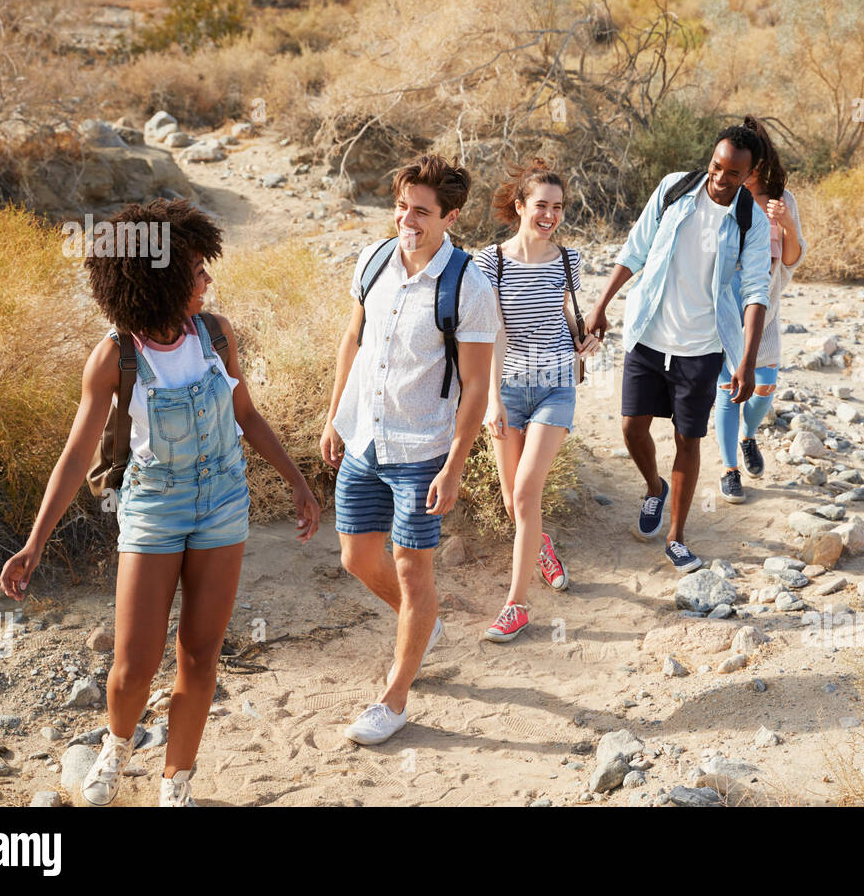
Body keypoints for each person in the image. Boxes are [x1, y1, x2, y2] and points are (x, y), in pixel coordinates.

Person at [0, 198, 322, 807]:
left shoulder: (216, 335)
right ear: (161, 278)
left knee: (200, 658)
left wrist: (297, 481)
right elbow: (75, 456)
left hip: (223, 505)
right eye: (196, 270)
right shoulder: (116, 357)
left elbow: (245, 414)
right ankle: (116, 749)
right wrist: (34, 543)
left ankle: (177, 783)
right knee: (133, 664)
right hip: (153, 511)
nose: (207, 280)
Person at [320, 154, 497, 745]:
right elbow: (353, 338)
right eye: (401, 206)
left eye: (421, 211)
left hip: (423, 448)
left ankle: (394, 699)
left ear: (449, 216)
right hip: (365, 437)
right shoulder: (373, 260)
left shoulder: (468, 286)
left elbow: (475, 386)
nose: (407, 219)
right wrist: (333, 417)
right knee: (355, 558)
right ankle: (423, 626)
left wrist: (454, 464)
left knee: (410, 568)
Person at [586, 126, 771, 573]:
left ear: (751, 173)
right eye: (716, 166)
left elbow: (755, 292)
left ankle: (676, 536)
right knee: (632, 427)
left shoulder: (752, 221)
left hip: (702, 345)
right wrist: (600, 305)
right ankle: (654, 487)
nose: (720, 179)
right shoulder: (674, 188)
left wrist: (746, 359)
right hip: (648, 331)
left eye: (733, 173)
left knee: (688, 439)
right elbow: (636, 249)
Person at [475, 159, 601, 642]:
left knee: (527, 494)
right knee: (514, 503)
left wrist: (586, 341)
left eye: (558, 207)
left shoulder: (570, 261)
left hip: (554, 388)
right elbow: (493, 334)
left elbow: (571, 323)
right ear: (521, 206)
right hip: (507, 391)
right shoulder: (491, 262)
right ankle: (542, 547)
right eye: (541, 206)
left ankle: (516, 605)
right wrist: (491, 400)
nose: (550, 215)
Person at [715, 115, 807, 503]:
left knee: (764, 386)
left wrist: (786, 224)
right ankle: (729, 469)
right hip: (723, 306)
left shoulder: (781, 200)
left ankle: (748, 435)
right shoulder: (721, 195)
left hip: (763, 307)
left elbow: (791, 259)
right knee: (727, 388)